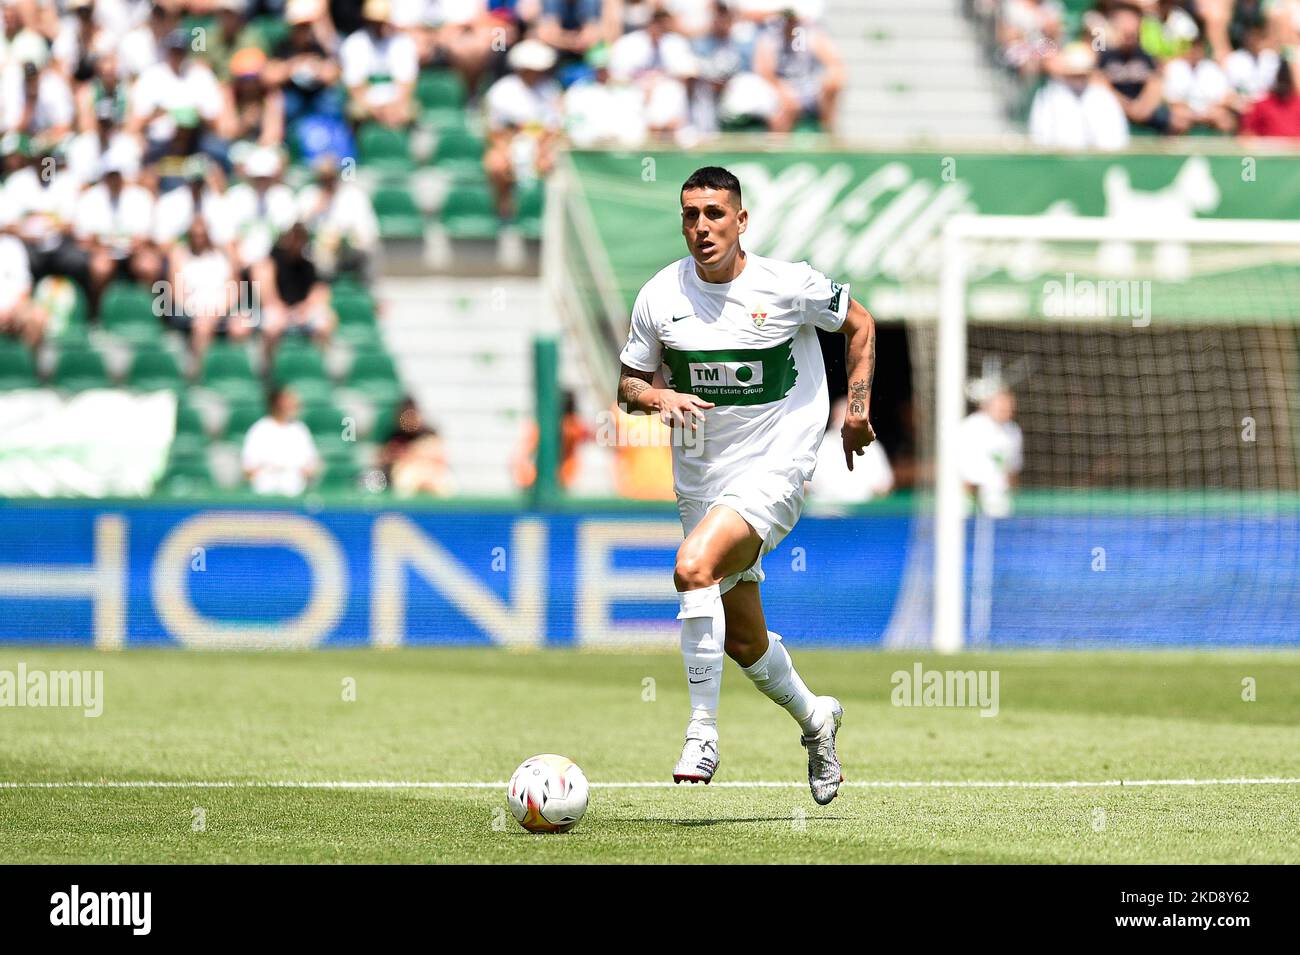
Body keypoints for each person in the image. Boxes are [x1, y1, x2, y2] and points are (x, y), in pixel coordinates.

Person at [616, 165, 876, 804]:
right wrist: (658, 397)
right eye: (690, 215)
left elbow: (861, 325)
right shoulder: (659, 296)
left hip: (778, 468)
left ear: (741, 221)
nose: (701, 228)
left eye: (714, 214)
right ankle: (817, 720)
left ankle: (702, 733)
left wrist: (858, 408)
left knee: (692, 566)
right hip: (701, 479)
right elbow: (626, 386)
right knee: (743, 641)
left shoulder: (787, 285)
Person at [1028, 41, 1130, 149]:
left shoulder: (1102, 96)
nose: (1077, 80)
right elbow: (1039, 137)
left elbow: (1116, 137)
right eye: (1073, 75)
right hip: (1059, 161)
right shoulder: (1048, 96)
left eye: (1081, 75)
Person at [807, 396, 892, 511]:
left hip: (864, 515)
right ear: (834, 418)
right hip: (825, 515)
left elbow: (884, 485)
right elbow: (805, 484)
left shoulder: (874, 448)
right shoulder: (819, 445)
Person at [956, 379, 1023, 519]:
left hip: (998, 499)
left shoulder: (1013, 431)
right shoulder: (970, 427)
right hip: (967, 498)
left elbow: (1013, 471)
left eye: (1009, 403)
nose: (1007, 407)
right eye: (1002, 403)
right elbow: (959, 470)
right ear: (987, 404)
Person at [242, 385, 322, 495]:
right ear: (276, 403)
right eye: (287, 401)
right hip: (265, 483)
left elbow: (312, 465)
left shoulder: (300, 429)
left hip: (294, 483)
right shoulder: (259, 429)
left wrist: (302, 472)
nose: (292, 405)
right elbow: (248, 468)